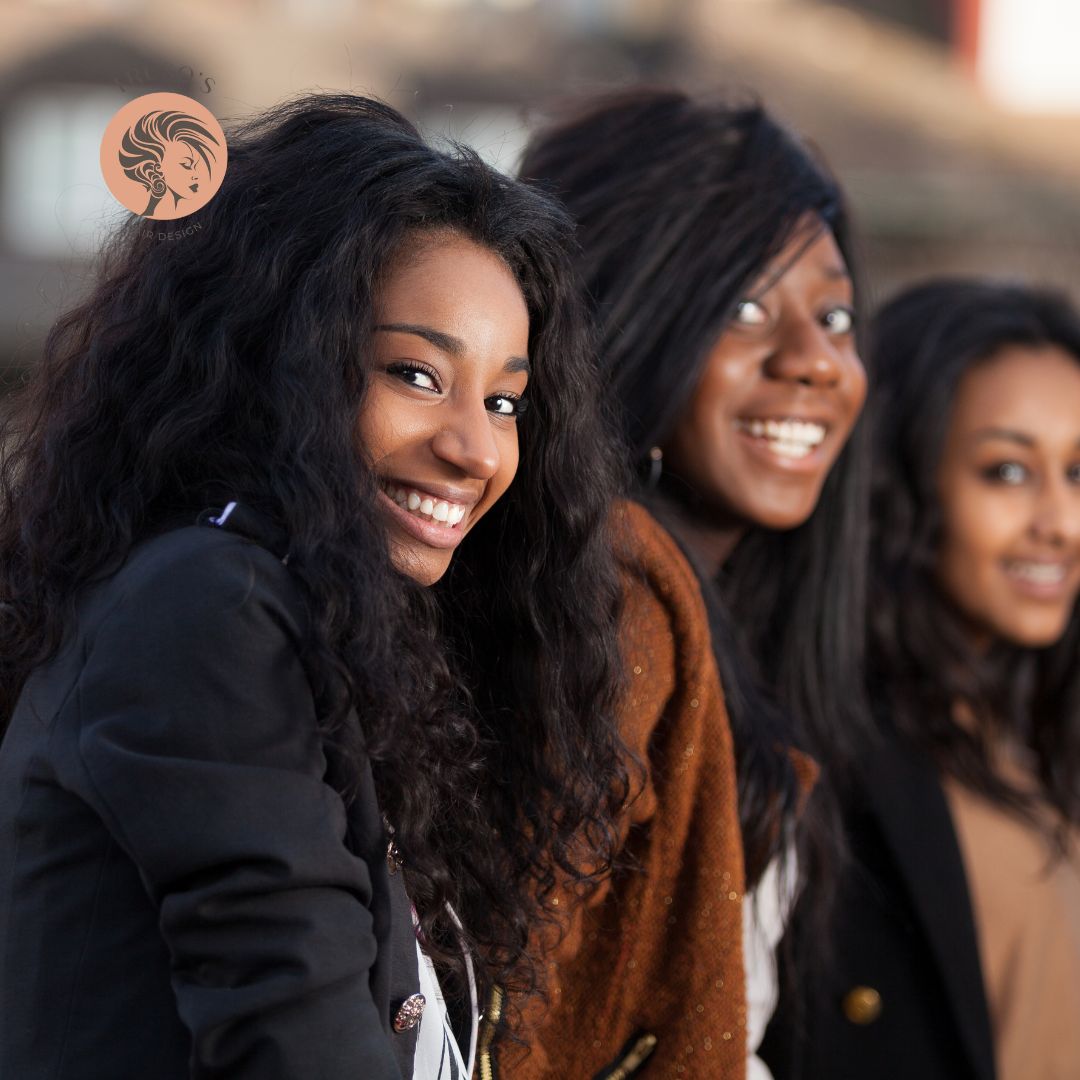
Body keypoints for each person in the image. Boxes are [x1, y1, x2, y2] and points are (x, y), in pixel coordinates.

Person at [0, 93, 630, 1080]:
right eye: (417, 375)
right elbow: (293, 1028)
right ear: (280, 359)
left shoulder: (328, 624)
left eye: (506, 398)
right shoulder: (205, 606)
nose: (475, 447)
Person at [495, 87, 871, 1080]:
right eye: (746, 305)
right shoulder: (619, 601)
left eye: (835, 315)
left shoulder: (703, 610)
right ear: (626, 316)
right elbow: (503, 1009)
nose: (816, 363)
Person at [763, 279, 1080, 1080]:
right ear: (903, 485)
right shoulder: (824, 761)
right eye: (1007, 472)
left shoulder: (1045, 733)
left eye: (1078, 473)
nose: (1060, 522)